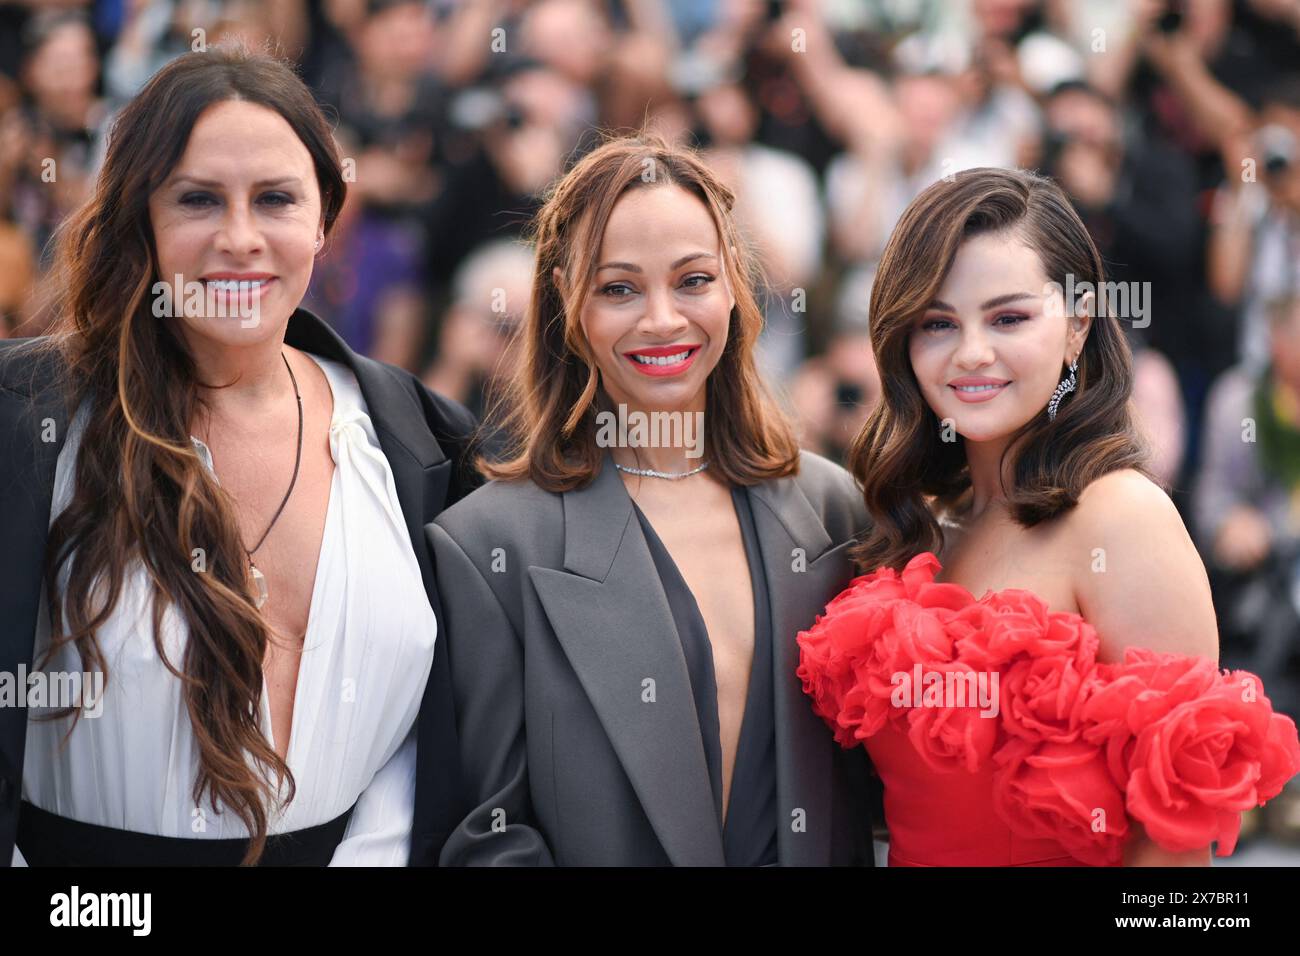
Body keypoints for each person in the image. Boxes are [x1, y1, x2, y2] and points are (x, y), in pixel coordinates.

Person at [0, 45, 477, 867]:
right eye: (197, 200)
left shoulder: (424, 441)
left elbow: (442, 739)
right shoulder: (23, 422)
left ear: (325, 218)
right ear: (139, 219)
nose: (240, 238)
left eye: (276, 199)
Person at [797, 167, 1300, 867]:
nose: (972, 352)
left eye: (1008, 318)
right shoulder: (919, 523)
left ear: (1078, 326)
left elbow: (1174, 849)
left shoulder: (1123, 518)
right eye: (938, 323)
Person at [430, 133, 876, 866]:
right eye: (618, 288)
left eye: (693, 279)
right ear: (567, 310)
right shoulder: (487, 547)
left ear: (735, 286)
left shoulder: (833, 511)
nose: (663, 319)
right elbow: (489, 833)